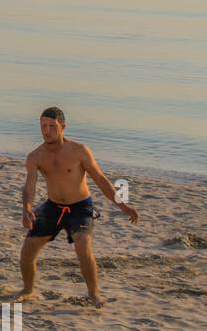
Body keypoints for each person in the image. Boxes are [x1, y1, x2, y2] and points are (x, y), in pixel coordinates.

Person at [18, 107, 139, 307]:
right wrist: (27, 207)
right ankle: (28, 290)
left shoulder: (79, 151)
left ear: (62, 127)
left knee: (83, 245)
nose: (46, 131)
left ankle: (94, 294)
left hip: (80, 207)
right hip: (52, 207)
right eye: (43, 126)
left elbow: (101, 179)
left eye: (51, 126)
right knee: (28, 248)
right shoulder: (35, 156)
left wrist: (124, 206)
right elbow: (29, 185)